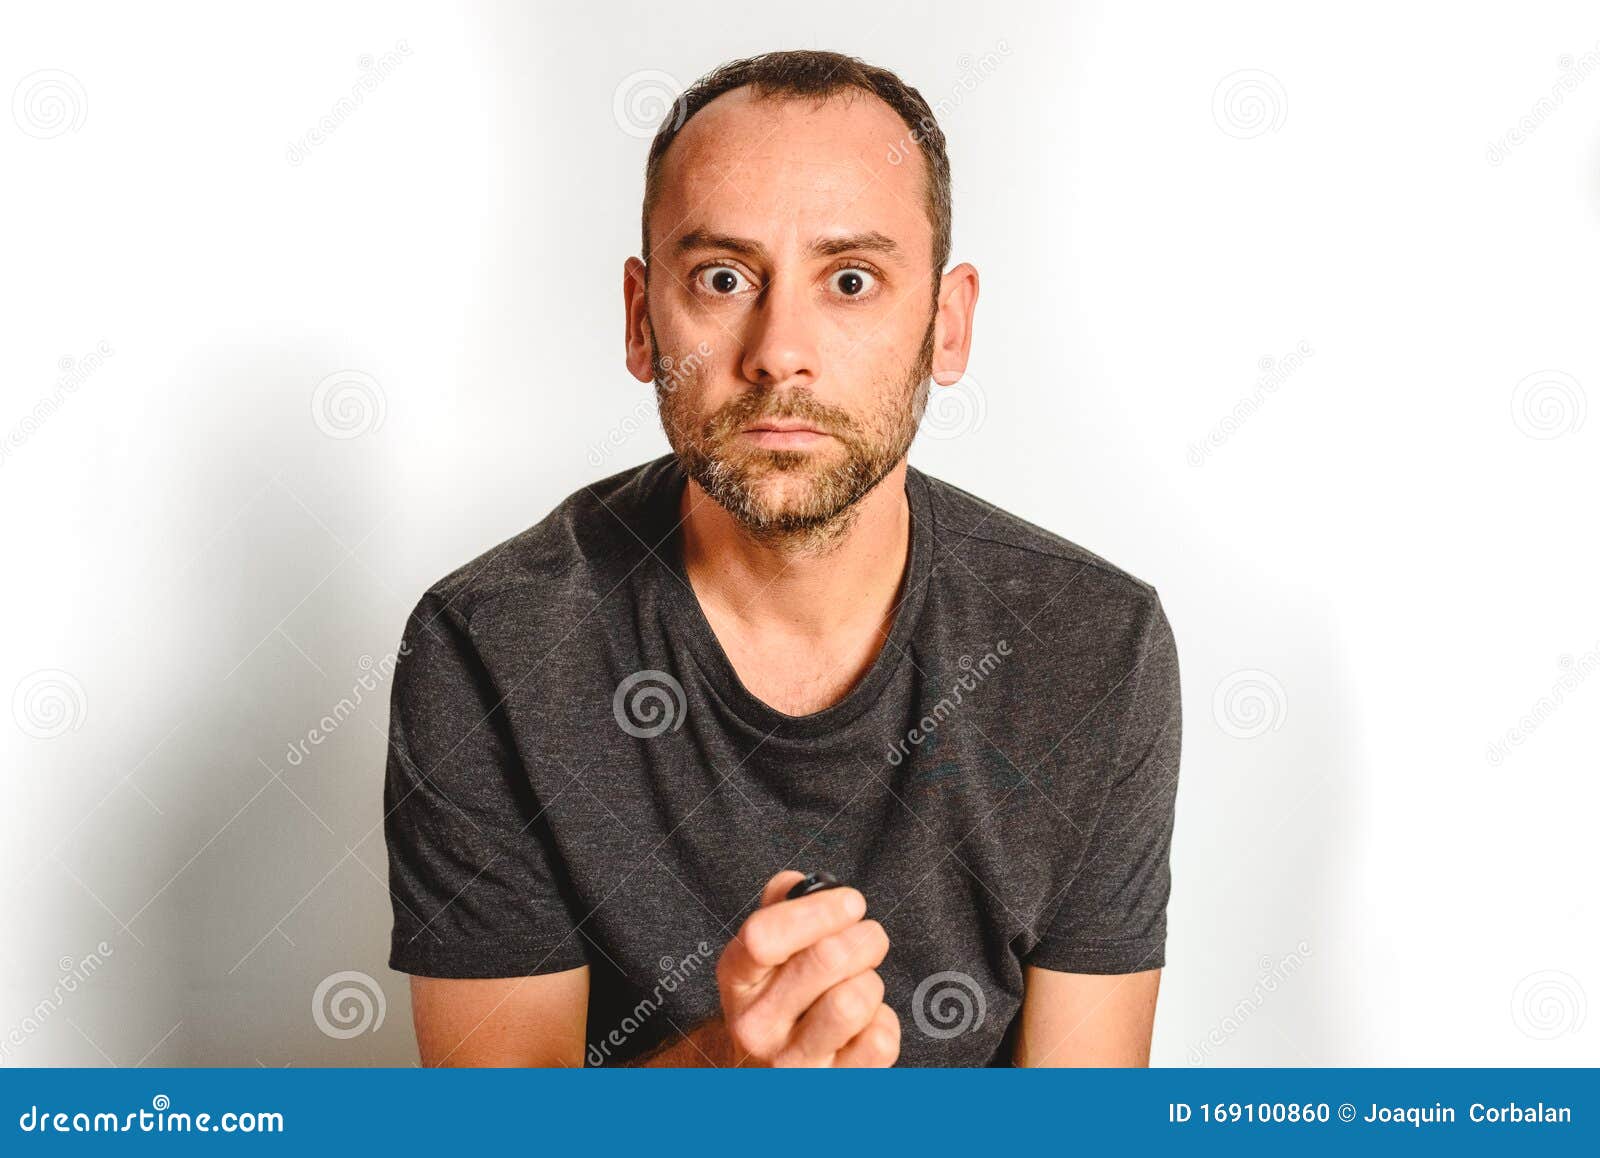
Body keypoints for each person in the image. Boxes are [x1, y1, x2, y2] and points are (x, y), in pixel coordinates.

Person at [382, 49, 1182, 1067]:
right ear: (641, 319)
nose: (779, 350)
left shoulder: (1090, 646)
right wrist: (726, 1075)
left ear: (947, 324)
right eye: (723, 278)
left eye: (850, 280)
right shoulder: (492, 645)